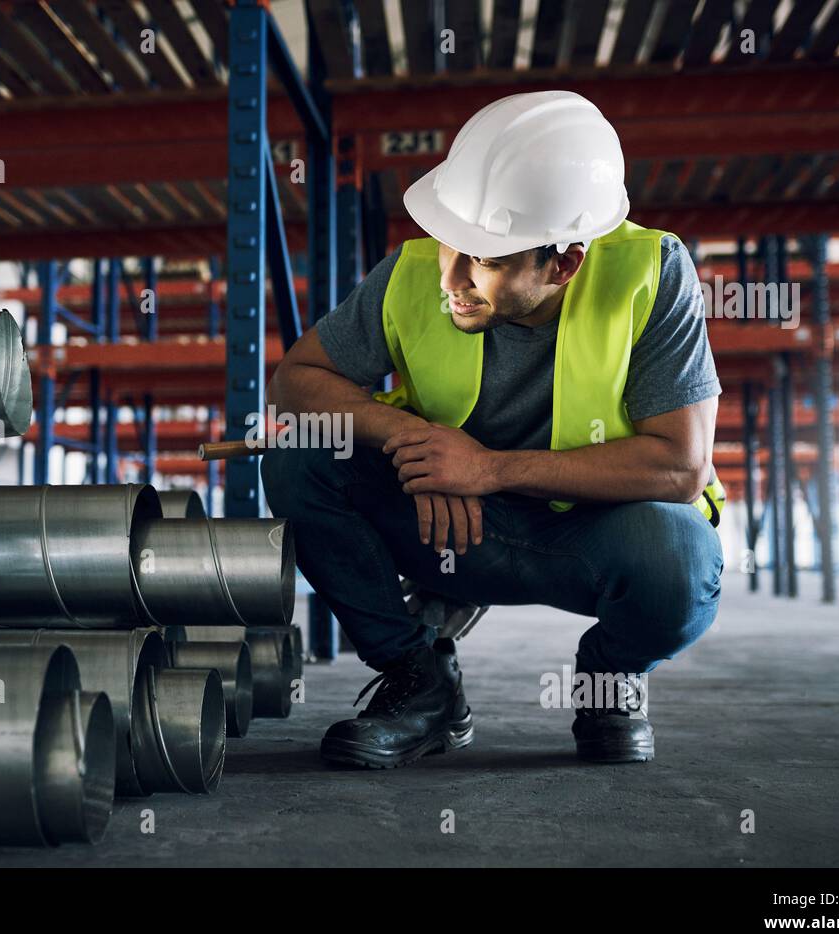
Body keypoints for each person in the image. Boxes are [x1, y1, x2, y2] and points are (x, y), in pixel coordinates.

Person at [262, 91, 724, 769]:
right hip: (457, 527)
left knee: (682, 559)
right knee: (299, 456)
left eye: (487, 259)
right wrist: (407, 441)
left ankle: (606, 678)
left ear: (563, 263)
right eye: (452, 242)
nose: (451, 277)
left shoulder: (651, 276)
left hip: (595, 536)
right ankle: (421, 684)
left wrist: (489, 468)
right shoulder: (419, 273)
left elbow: (681, 468)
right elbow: (296, 381)